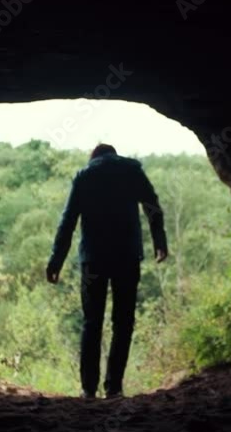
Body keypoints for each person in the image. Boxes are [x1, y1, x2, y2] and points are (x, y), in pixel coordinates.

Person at [46, 144, 168, 400]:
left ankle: (88, 389)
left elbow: (68, 220)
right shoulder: (132, 171)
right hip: (127, 257)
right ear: (114, 154)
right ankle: (114, 387)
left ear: (94, 158)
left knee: (92, 322)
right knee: (123, 322)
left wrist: (56, 261)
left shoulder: (85, 176)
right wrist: (159, 242)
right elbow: (152, 207)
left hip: (94, 259)